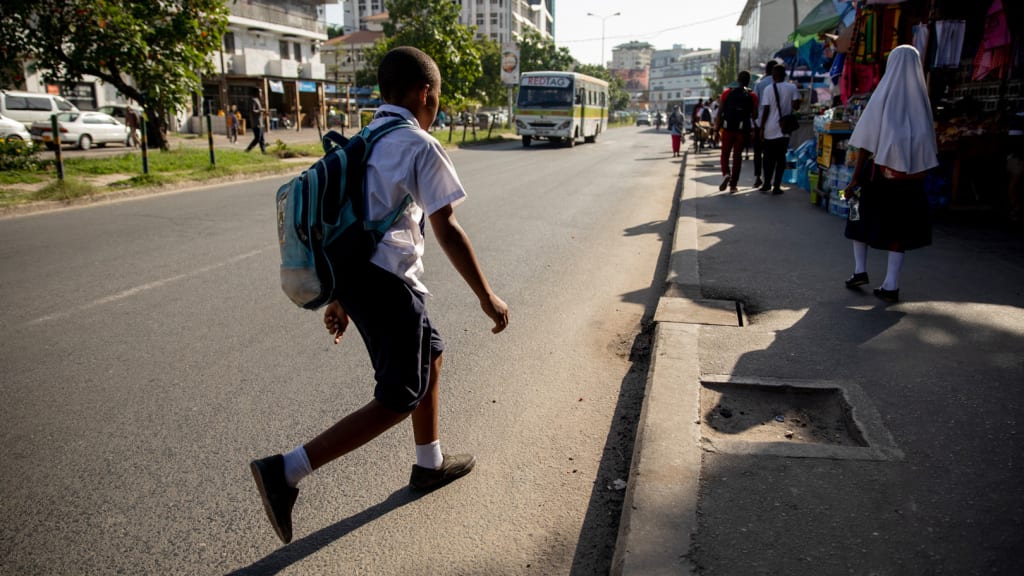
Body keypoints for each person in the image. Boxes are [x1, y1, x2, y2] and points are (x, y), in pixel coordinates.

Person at [249, 46, 510, 545]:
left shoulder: (365, 138)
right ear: (425, 94)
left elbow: (355, 221)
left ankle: (429, 463)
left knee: (430, 353)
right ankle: (285, 471)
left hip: (364, 276)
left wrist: (342, 295)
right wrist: (486, 295)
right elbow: (447, 226)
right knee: (397, 396)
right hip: (389, 283)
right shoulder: (417, 144)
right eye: (437, 101)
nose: (436, 110)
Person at [842, 45, 938, 303]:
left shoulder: (882, 95)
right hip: (911, 181)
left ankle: (859, 270)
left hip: (876, 177)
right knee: (900, 229)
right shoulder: (923, 101)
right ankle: (891, 283)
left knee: (857, 217)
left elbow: (865, 141)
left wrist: (854, 179)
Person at [758, 65, 802, 195]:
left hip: (769, 129)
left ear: (773, 76)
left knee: (768, 158)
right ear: (785, 75)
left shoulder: (768, 89)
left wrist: (761, 127)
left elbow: (765, 110)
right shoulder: (792, 87)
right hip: (784, 129)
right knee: (780, 158)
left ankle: (766, 183)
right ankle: (776, 186)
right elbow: (796, 106)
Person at [715, 71, 758, 194]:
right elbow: (755, 115)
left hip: (728, 128)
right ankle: (733, 185)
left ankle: (726, 174)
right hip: (742, 130)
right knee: (737, 157)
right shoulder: (752, 95)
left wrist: (716, 129)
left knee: (725, 154)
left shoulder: (727, 93)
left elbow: (720, 112)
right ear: (749, 81)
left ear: (737, 80)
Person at [751, 60, 778, 188]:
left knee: (758, 152)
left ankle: (758, 177)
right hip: (776, 124)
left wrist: (754, 123)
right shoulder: (779, 84)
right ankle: (771, 179)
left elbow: (755, 104)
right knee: (772, 153)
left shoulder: (760, 84)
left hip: (760, 122)